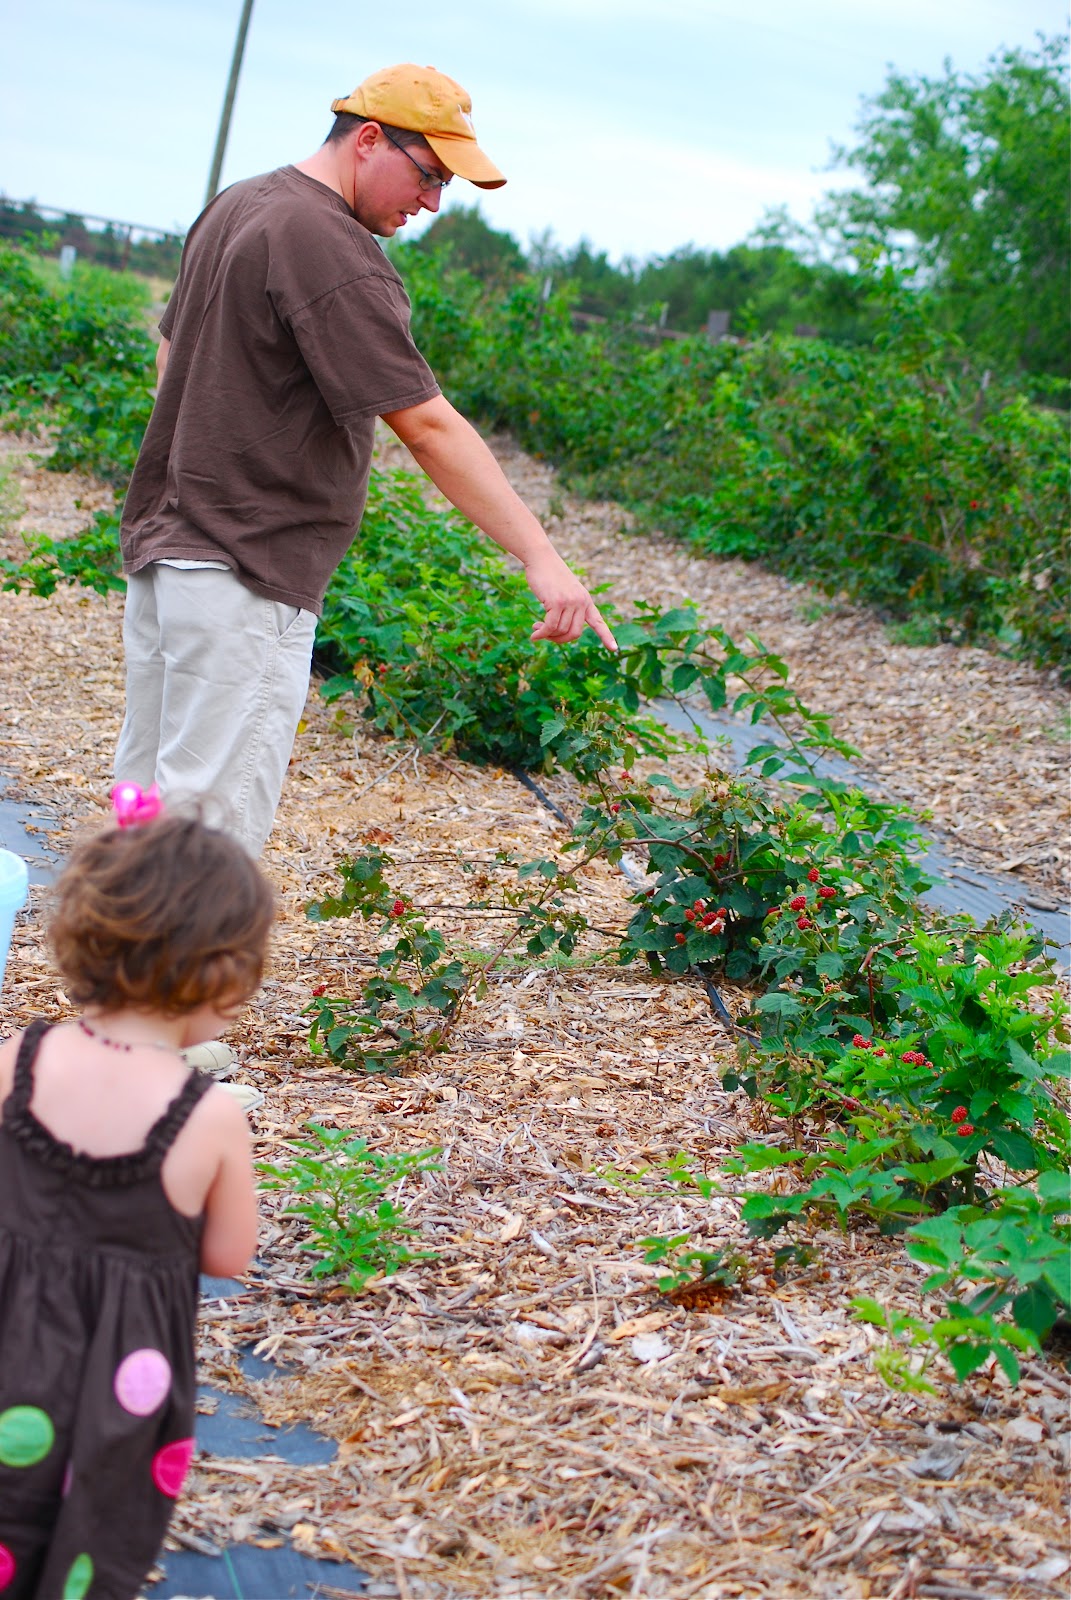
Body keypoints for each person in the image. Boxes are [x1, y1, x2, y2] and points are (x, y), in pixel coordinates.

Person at [117, 61, 617, 860]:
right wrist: (540, 556)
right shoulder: (327, 243)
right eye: (428, 175)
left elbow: (171, 353)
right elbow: (427, 426)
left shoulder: (238, 204)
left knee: (145, 795)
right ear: (369, 139)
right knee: (208, 828)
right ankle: (172, 946)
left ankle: (119, 933)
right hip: (244, 571)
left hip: (168, 561)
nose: (433, 202)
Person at [0, 801, 273, 1598]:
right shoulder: (207, 1118)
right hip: (119, 1370)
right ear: (223, 975)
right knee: (90, 1517)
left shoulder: (15, 1059)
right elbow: (228, 1255)